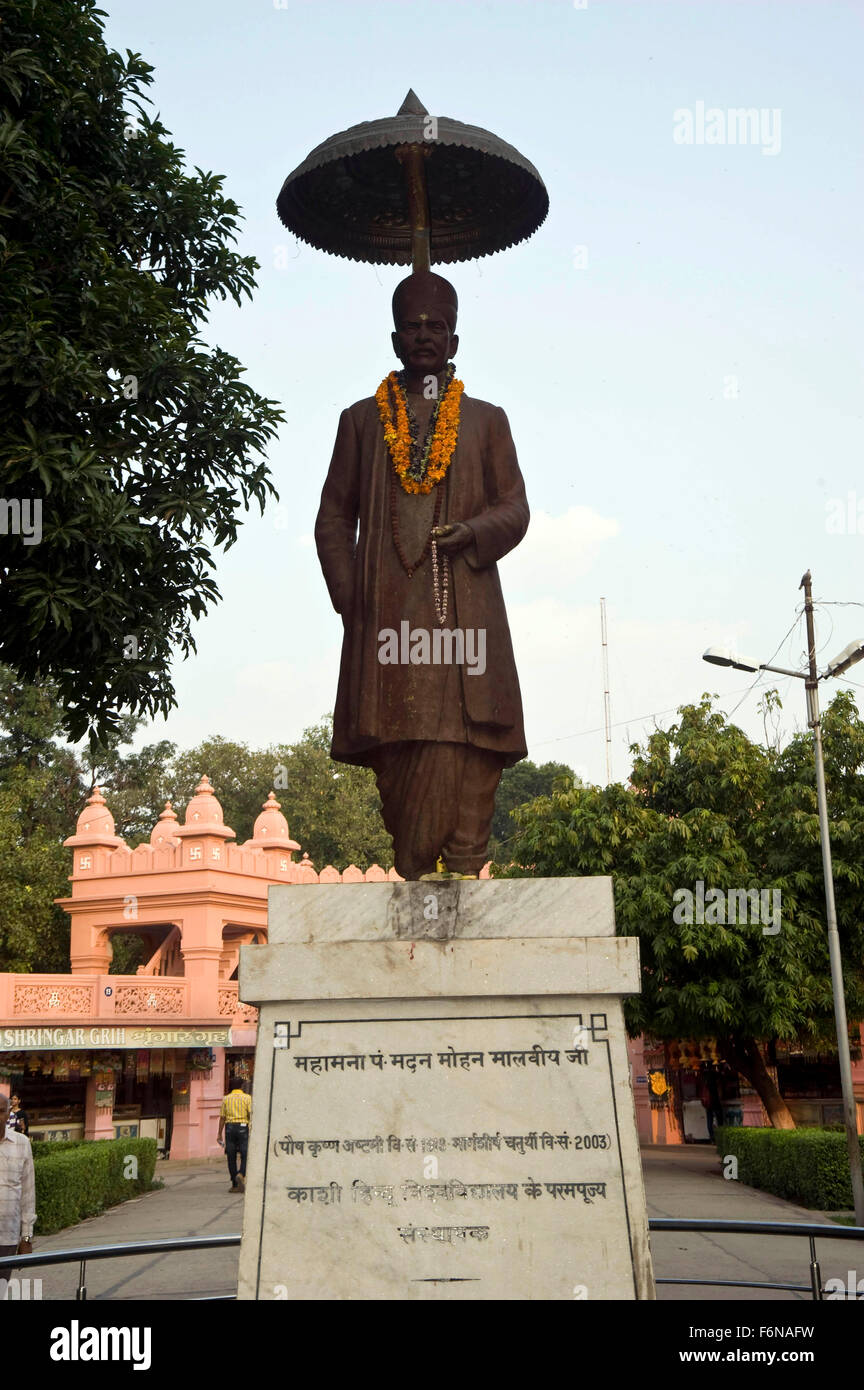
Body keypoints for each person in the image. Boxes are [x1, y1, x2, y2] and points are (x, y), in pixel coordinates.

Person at [315, 270, 529, 879]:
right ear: (394, 339)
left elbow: (515, 509)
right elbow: (333, 520)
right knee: (401, 747)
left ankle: (465, 859)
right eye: (412, 326)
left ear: (455, 342)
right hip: (386, 626)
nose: (424, 336)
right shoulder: (360, 422)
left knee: (470, 741)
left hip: (466, 612)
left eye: (437, 327)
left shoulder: (487, 421)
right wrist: (353, 600)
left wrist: (475, 533)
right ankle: (412, 866)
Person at [0, 1094, 35, 1268]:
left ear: (8, 1114)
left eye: (0, 1112)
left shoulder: (22, 1143)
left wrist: (26, 1237)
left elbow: (28, 1193)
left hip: (7, 1237)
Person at [217, 1081, 251, 1193]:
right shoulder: (247, 1098)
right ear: (241, 1086)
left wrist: (219, 1133)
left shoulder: (226, 1099)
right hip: (243, 1127)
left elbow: (222, 1117)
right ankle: (241, 1174)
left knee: (231, 1156)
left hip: (229, 1128)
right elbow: (250, 1114)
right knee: (245, 1154)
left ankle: (234, 1184)